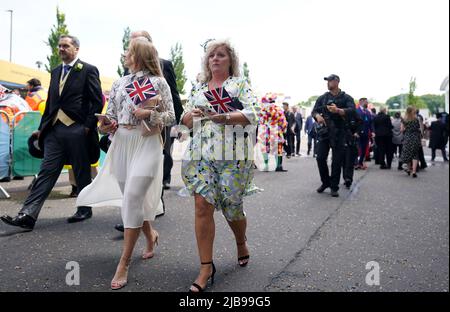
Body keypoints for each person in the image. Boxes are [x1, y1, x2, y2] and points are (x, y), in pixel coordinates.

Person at [77, 37, 175, 290]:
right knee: (131, 199)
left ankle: (124, 262)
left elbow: (170, 116)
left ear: (139, 55)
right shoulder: (120, 82)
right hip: (121, 142)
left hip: (147, 143)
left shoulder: (158, 82)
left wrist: (150, 114)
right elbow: (110, 115)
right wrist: (104, 123)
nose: (124, 54)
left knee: (132, 197)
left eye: (129, 51)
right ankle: (150, 235)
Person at [180, 40, 260, 292]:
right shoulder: (198, 87)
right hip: (201, 154)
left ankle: (240, 241)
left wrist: (222, 116)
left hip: (233, 155)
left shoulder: (238, 85)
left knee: (232, 208)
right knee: (202, 206)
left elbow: (253, 114)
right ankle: (206, 266)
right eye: (211, 55)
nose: (215, 58)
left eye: (221, 55)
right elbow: (185, 122)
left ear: (230, 60)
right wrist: (191, 116)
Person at [1, 35, 103, 230]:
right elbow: (50, 103)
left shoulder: (88, 70)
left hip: (77, 128)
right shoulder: (56, 71)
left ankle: (84, 208)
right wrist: (41, 128)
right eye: (59, 46)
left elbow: (97, 100)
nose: (61, 49)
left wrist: (87, 126)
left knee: (81, 171)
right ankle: (28, 214)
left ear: (76, 49)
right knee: (47, 171)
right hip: (54, 131)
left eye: (66, 46)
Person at [114, 30, 183, 233]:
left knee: (137, 189)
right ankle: (146, 228)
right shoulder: (122, 81)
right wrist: (108, 125)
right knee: (131, 191)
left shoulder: (160, 75)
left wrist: (174, 125)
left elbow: (172, 104)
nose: (128, 48)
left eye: (133, 44)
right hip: (125, 139)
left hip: (151, 134)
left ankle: (124, 260)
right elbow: (116, 112)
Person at [312, 74, 355, 197]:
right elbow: (314, 111)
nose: (328, 83)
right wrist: (317, 116)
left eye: (330, 81)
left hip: (340, 132)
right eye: (327, 81)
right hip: (325, 132)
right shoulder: (323, 98)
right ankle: (326, 182)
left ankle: (334, 187)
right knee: (320, 157)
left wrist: (339, 110)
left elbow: (352, 111)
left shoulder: (346, 98)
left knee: (337, 161)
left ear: (337, 82)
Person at [258, 97, 287, 172]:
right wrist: (282, 129)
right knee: (279, 149)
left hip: (266, 132)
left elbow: (260, 121)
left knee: (266, 149)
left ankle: (266, 165)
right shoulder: (278, 109)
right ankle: (279, 166)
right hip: (276, 131)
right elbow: (283, 122)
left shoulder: (263, 109)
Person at [342, 109, 362, 189]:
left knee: (350, 160)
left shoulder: (352, 112)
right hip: (341, 139)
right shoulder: (336, 111)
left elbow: (360, 122)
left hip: (352, 139)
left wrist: (357, 132)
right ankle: (345, 177)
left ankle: (348, 178)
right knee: (343, 160)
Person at [400, 107, 422, 178]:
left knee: (408, 153)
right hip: (415, 138)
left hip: (407, 138)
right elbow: (419, 128)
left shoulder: (404, 119)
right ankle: (414, 171)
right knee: (415, 154)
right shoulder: (416, 119)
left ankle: (409, 170)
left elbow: (401, 130)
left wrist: (407, 129)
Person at [356, 98, 373, 170]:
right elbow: (355, 122)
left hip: (366, 133)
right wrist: (355, 132)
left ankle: (360, 163)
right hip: (358, 133)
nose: (367, 103)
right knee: (357, 148)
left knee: (364, 149)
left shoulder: (368, 112)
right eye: (366, 102)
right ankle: (356, 163)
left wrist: (373, 131)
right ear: (361, 102)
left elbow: (371, 123)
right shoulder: (356, 111)